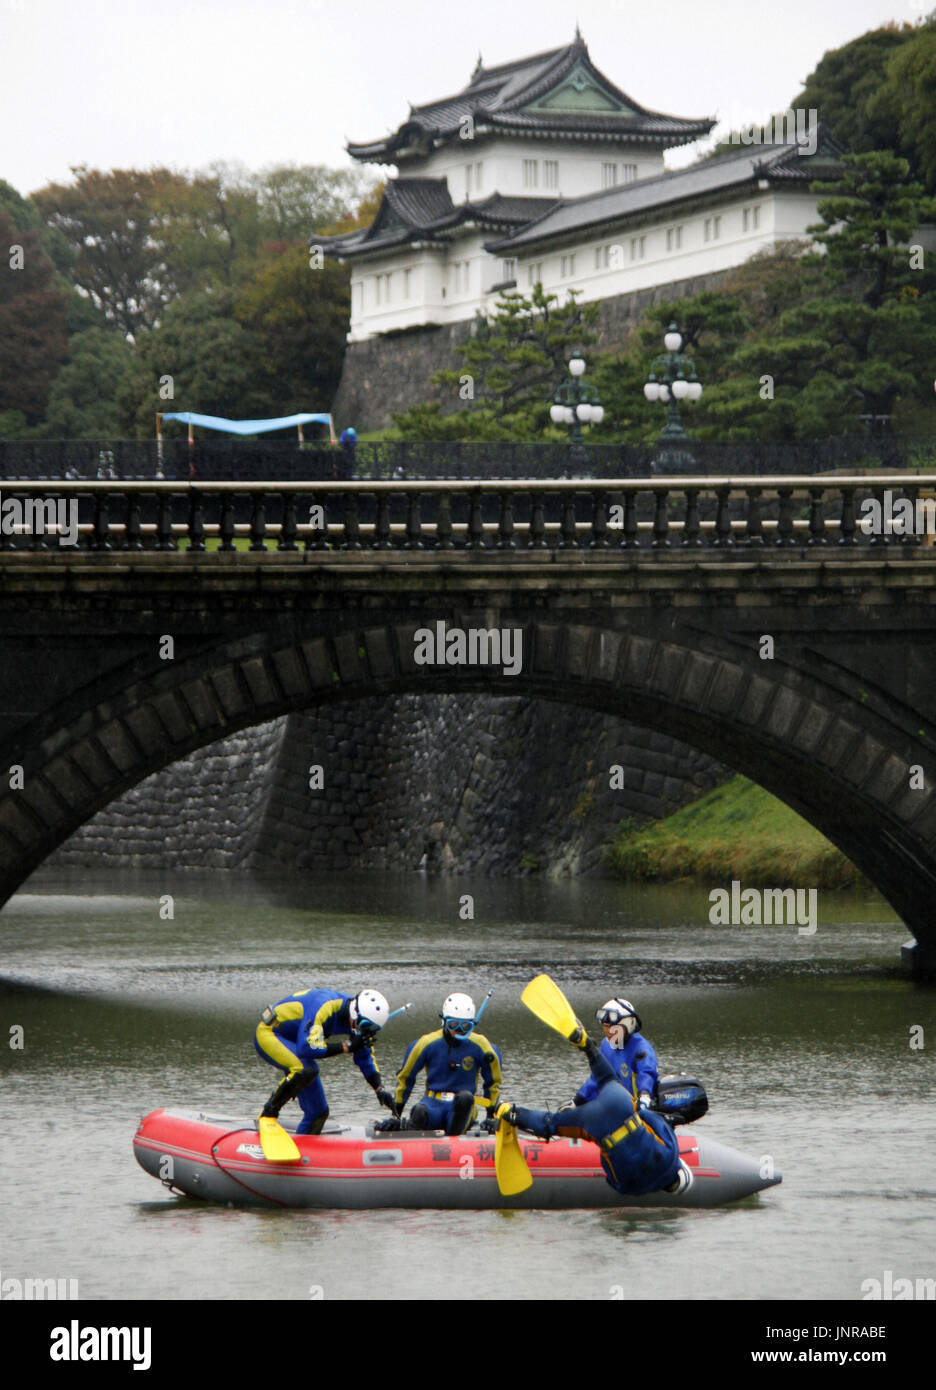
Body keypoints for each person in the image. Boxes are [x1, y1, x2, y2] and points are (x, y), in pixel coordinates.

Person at [496, 1022, 692, 1197]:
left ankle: (588, 1047)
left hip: (621, 1106)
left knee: (607, 1079)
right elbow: (608, 1169)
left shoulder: (671, 1154)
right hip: (598, 1127)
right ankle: (511, 1112)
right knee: (551, 1124)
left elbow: (650, 1118)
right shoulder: (629, 1188)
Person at [255, 987, 396, 1135]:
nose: (367, 1031)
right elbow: (307, 1047)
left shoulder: (355, 1018)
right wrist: (346, 1046)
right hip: (271, 1033)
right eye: (366, 1026)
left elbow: (364, 1056)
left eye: (373, 1029)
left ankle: (305, 1149)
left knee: (319, 1112)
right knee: (305, 1070)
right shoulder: (325, 1005)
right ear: (355, 1013)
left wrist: (379, 1088)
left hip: (297, 1041)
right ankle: (268, 1114)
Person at [393, 993, 502, 1135]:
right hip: (432, 1103)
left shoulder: (483, 1046)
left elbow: (493, 1083)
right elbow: (405, 1078)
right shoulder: (426, 1044)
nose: (459, 1031)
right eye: (453, 1025)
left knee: (465, 1099)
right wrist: (395, 1114)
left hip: (462, 1107)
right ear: (444, 1021)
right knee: (420, 1112)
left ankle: (455, 1140)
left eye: (465, 1026)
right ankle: (413, 1135)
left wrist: (491, 1116)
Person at [572, 998, 659, 1114]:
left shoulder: (641, 1049)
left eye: (613, 1029)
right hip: (620, 1110)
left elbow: (647, 1073)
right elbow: (598, 1078)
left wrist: (644, 1095)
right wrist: (576, 1102)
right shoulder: (606, 1046)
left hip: (642, 1109)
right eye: (605, 1027)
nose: (609, 1032)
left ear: (628, 1025)